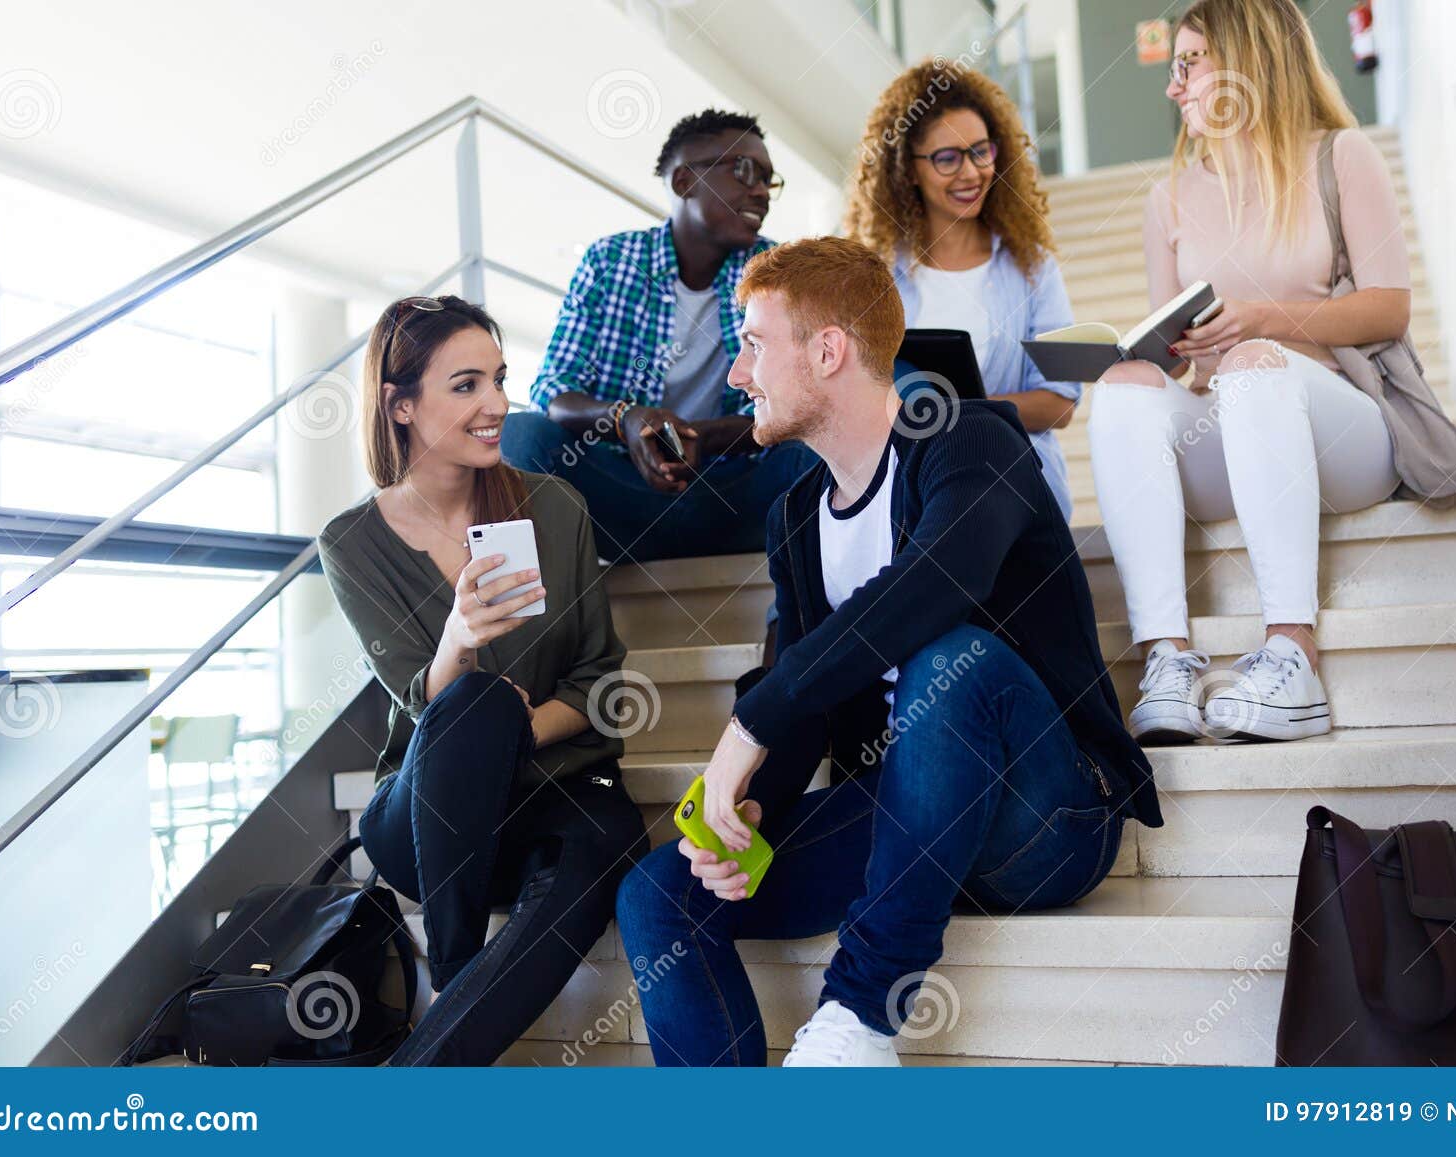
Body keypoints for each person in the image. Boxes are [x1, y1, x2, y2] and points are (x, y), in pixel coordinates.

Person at [614, 238, 1161, 1067]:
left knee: (950, 656)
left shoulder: (970, 439)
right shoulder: (796, 514)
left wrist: (747, 728)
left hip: (1044, 816)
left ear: (828, 350)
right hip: (904, 815)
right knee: (657, 893)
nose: (737, 375)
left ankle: (859, 1019)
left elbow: (943, 576)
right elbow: (802, 691)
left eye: (755, 345)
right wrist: (753, 801)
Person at [317, 295, 645, 1066]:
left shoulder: (555, 508)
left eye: (499, 380)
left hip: (554, 790)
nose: (497, 404)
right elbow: (424, 706)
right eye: (466, 385)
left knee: (608, 842)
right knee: (471, 702)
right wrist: (458, 640)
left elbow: (601, 685)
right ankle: (457, 963)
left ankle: (438, 1053)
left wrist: (517, 728)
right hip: (425, 818)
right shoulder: (354, 541)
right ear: (400, 405)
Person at [1087, 0, 1413, 745]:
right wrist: (1157, 355)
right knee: (1127, 388)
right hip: (1235, 427)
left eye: (1189, 63)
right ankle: (1166, 660)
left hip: (1344, 431)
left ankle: (1293, 651)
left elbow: (1389, 309)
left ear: (1247, 61)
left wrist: (1262, 321)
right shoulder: (1166, 199)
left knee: (1254, 363)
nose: (1174, 87)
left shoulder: (1339, 155)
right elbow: (1186, 355)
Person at [498, 108, 817, 566]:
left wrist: (698, 438)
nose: (761, 192)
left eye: (769, 180)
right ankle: (550, 619)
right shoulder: (611, 261)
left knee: (819, 436)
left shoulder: (776, 272)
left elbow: (796, 405)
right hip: (625, 496)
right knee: (521, 433)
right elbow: (554, 392)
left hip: (737, 497)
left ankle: (807, 615)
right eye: (745, 170)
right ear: (685, 181)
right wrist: (628, 420)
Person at [845, 60, 1081, 519]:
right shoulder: (873, 276)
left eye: (981, 151)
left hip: (1014, 478)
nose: (972, 172)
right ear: (907, 170)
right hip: (910, 484)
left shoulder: (1034, 268)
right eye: (947, 158)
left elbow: (1059, 403)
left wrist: (955, 414)